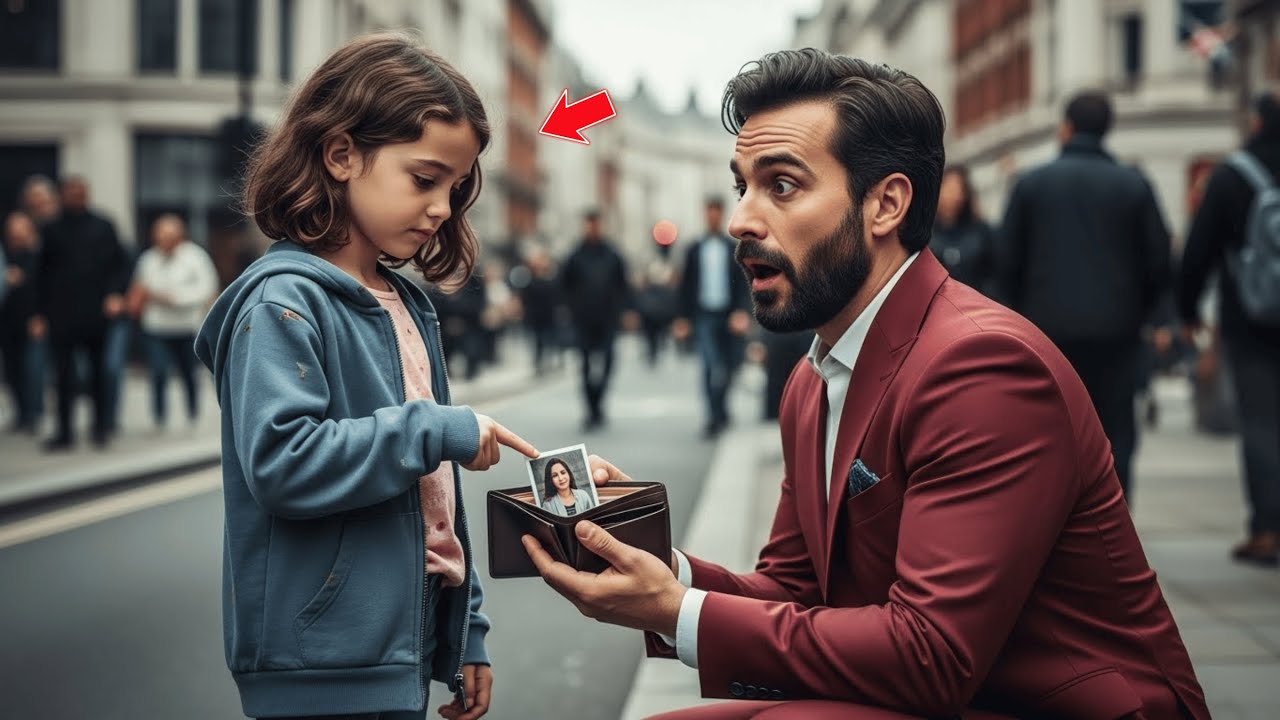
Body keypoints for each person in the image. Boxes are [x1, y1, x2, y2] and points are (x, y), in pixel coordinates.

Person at [523, 49, 1209, 719]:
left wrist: (679, 613)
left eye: (782, 185)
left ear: (886, 206)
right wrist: (659, 571)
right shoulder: (812, 378)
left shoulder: (983, 367)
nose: (740, 221)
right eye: (743, 186)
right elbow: (794, 589)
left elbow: (932, 654)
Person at [193, 33, 538, 720]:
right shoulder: (282, 302)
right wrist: (436, 427)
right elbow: (283, 463)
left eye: (456, 186)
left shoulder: (407, 303)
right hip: (319, 668)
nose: (443, 206)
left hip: (403, 651)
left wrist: (467, 631)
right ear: (342, 154)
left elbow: (435, 503)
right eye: (424, 178)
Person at [996, 91, 1172, 502]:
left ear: (1066, 128)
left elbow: (1007, 260)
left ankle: (1053, 511)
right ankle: (1112, 509)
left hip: (1046, 330)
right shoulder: (1134, 184)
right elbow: (1159, 259)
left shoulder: (1032, 184)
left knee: (1050, 424)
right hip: (1117, 329)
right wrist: (1147, 313)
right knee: (1116, 426)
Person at [1179, 93, 1280, 566]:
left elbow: (1199, 248)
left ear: (1256, 121)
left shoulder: (1233, 175)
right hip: (1252, 317)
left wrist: (1188, 310)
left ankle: (1266, 530)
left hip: (1253, 317)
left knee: (1260, 420)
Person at [30, 176, 130, 451]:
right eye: (71, 192)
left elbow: (120, 265)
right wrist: (38, 313)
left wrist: (115, 294)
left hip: (96, 314)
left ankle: (100, 428)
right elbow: (41, 274)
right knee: (62, 376)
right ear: (63, 195)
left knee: (99, 373)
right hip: (60, 315)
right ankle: (64, 432)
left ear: (87, 194)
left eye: (80, 192)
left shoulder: (103, 225)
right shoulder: (51, 229)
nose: (76, 196)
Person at [128, 214, 218, 430]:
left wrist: (175, 299)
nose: (163, 241)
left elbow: (207, 289)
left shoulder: (196, 257)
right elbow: (139, 287)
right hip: (157, 326)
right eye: (159, 236)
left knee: (188, 372)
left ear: (179, 237)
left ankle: (192, 413)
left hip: (186, 326)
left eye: (168, 236)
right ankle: (159, 417)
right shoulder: (148, 259)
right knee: (158, 371)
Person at [674, 197, 752, 438]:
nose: (713, 216)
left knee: (730, 366)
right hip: (704, 316)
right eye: (709, 212)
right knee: (709, 365)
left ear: (722, 214)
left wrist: (742, 312)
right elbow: (685, 286)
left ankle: (721, 408)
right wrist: (682, 319)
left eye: (717, 212)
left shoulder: (734, 248)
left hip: (728, 316)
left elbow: (743, 283)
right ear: (704, 214)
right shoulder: (694, 249)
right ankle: (712, 416)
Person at [561, 209, 629, 431]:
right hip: (582, 320)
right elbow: (564, 286)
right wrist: (569, 309)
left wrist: (626, 312)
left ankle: (599, 401)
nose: (592, 227)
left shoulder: (612, 254)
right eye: (589, 223)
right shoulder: (575, 255)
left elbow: (623, 286)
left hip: (608, 319)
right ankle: (591, 409)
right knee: (586, 366)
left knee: (608, 362)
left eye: (596, 223)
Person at [1, 211, 45, 433]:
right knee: (12, 370)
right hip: (8, 322)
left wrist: (41, 316)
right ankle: (21, 413)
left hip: (32, 319)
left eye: (20, 229)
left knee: (33, 369)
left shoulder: (38, 255)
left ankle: (33, 414)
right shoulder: (5, 255)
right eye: (12, 229)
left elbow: (45, 287)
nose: (16, 233)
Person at [928, 164, 996, 295]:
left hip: (977, 302)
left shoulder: (981, 231)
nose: (952, 196)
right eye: (948, 189)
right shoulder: (926, 235)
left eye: (958, 190)